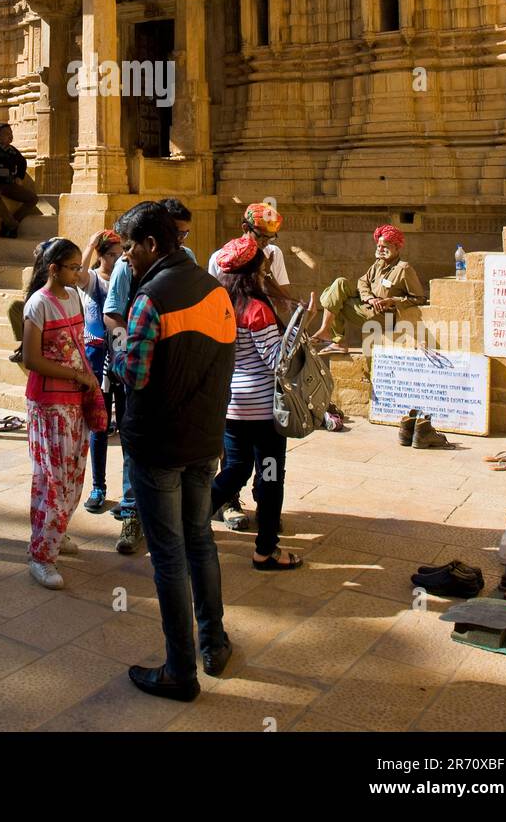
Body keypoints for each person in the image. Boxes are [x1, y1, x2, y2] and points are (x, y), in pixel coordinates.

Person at [110, 201, 237, 702]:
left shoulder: (150, 299)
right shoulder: (215, 291)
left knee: (168, 557)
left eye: (129, 249)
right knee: (200, 538)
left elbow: (136, 374)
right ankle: (215, 641)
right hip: (204, 439)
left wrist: (118, 346)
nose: (126, 260)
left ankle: (180, 670)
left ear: (152, 245)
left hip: (158, 443)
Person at [211, 235, 314, 572]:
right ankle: (266, 550)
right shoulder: (257, 311)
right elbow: (276, 360)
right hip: (262, 413)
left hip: (232, 406)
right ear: (252, 273)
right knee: (269, 476)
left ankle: (189, 522)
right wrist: (302, 323)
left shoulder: (220, 307)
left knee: (236, 469)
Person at [103, 198, 197, 554]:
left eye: (185, 233)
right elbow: (113, 313)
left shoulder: (187, 263)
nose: (182, 239)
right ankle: (132, 514)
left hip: (177, 373)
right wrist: (123, 353)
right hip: (138, 370)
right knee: (135, 444)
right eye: (177, 232)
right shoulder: (131, 264)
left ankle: (182, 517)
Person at [22, 237, 99, 590]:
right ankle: (42, 555)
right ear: (54, 269)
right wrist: (76, 375)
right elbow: (31, 359)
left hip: (74, 402)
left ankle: (56, 531)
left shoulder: (76, 298)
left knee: (72, 475)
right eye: (73, 267)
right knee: (51, 480)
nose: (78, 272)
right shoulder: (39, 303)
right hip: (48, 404)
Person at [310, 224, 426, 355]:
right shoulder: (378, 264)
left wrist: (392, 301)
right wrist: (369, 298)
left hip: (382, 316)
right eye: (379, 246)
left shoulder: (404, 269)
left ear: (396, 247)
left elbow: (419, 299)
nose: (380, 249)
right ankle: (326, 331)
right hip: (368, 305)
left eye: (385, 246)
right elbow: (362, 282)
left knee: (335, 300)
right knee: (339, 284)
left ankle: (337, 341)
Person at [74, 230, 124, 513]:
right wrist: (90, 243)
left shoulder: (124, 280)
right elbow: (78, 273)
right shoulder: (94, 279)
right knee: (99, 425)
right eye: (112, 255)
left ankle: (129, 493)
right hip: (96, 359)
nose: (117, 260)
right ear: (102, 255)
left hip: (122, 357)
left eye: (120, 255)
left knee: (127, 426)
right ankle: (98, 486)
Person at [208, 202, 291, 295]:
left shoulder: (273, 252)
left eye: (270, 238)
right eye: (261, 236)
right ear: (246, 228)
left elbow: (285, 301)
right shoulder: (219, 258)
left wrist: (268, 273)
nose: (266, 243)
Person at [0, 123, 38, 238]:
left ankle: (9, 223)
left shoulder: (13, 151)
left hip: (7, 184)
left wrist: (19, 177)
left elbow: (22, 163)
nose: (10, 136)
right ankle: (12, 225)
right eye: (6, 134)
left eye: (11, 134)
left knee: (33, 199)